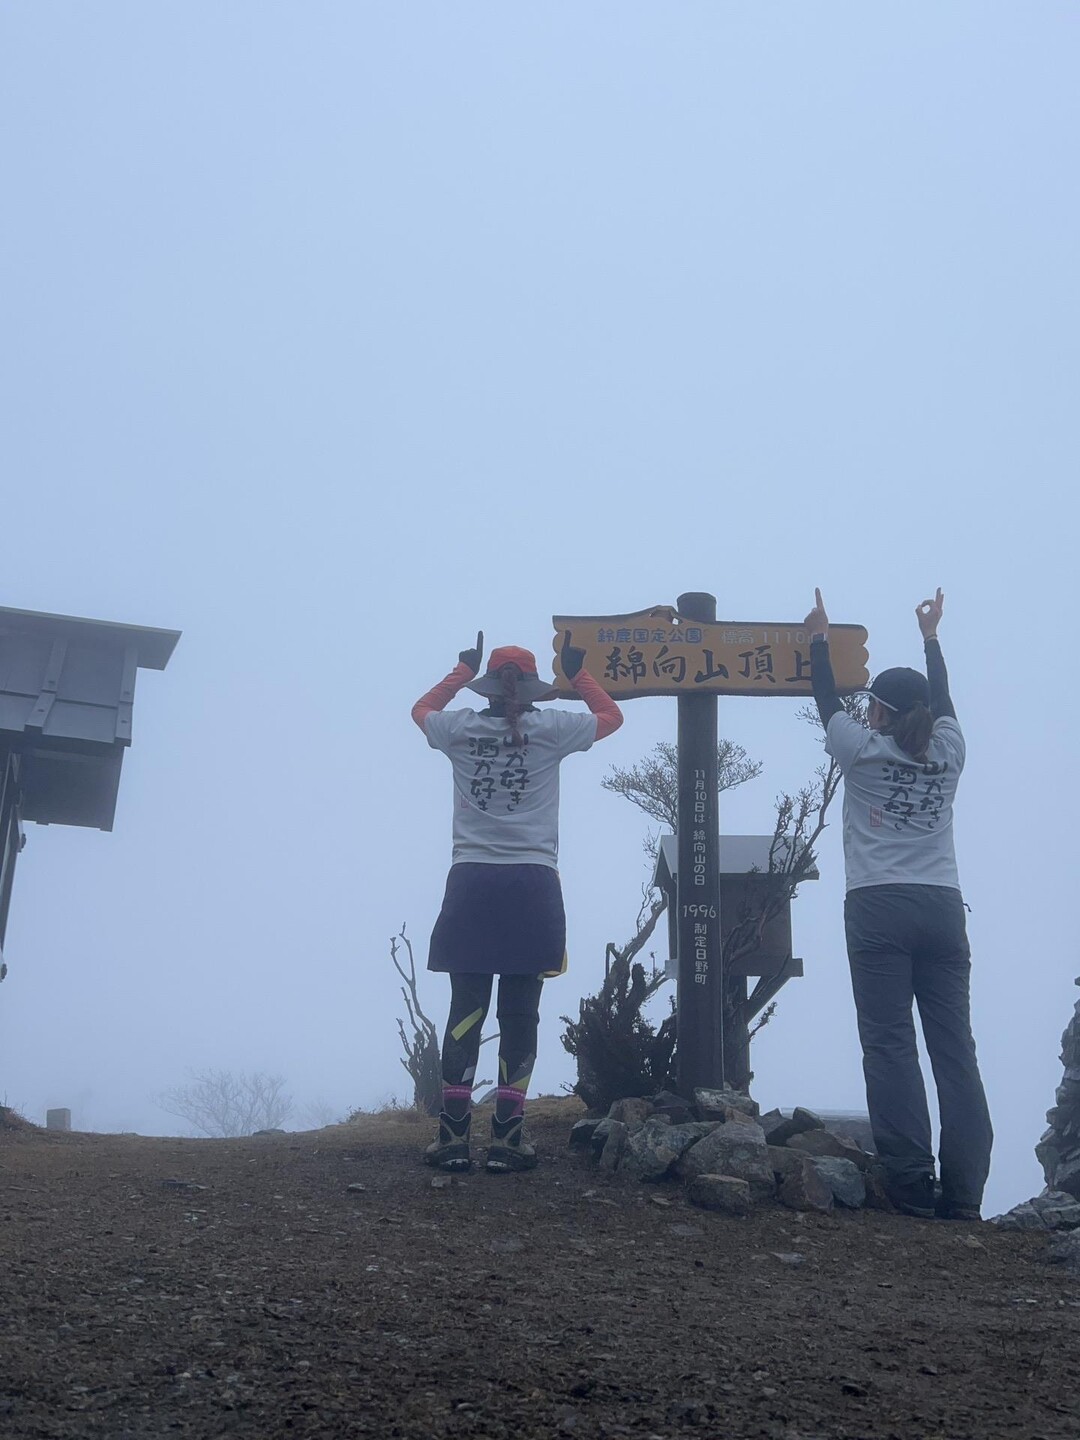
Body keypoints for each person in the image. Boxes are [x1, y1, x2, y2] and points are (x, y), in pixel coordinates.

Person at [806, 587, 992, 1220]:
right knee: (955, 1050)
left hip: (879, 907)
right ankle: (964, 1194)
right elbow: (944, 701)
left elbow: (825, 699)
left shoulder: (861, 752)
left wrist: (816, 639)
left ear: (879, 711)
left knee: (889, 1045)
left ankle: (912, 1185)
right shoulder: (951, 753)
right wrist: (932, 637)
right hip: (943, 907)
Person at [412, 629, 623, 1173]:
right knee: (521, 1012)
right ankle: (507, 1141)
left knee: (466, 1011)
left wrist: (459, 669)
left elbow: (421, 710)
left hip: (472, 883)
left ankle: (453, 1140)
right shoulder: (552, 728)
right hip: (532, 884)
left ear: (484, 691)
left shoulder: (456, 729)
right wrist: (578, 674)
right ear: (531, 690)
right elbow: (610, 718)